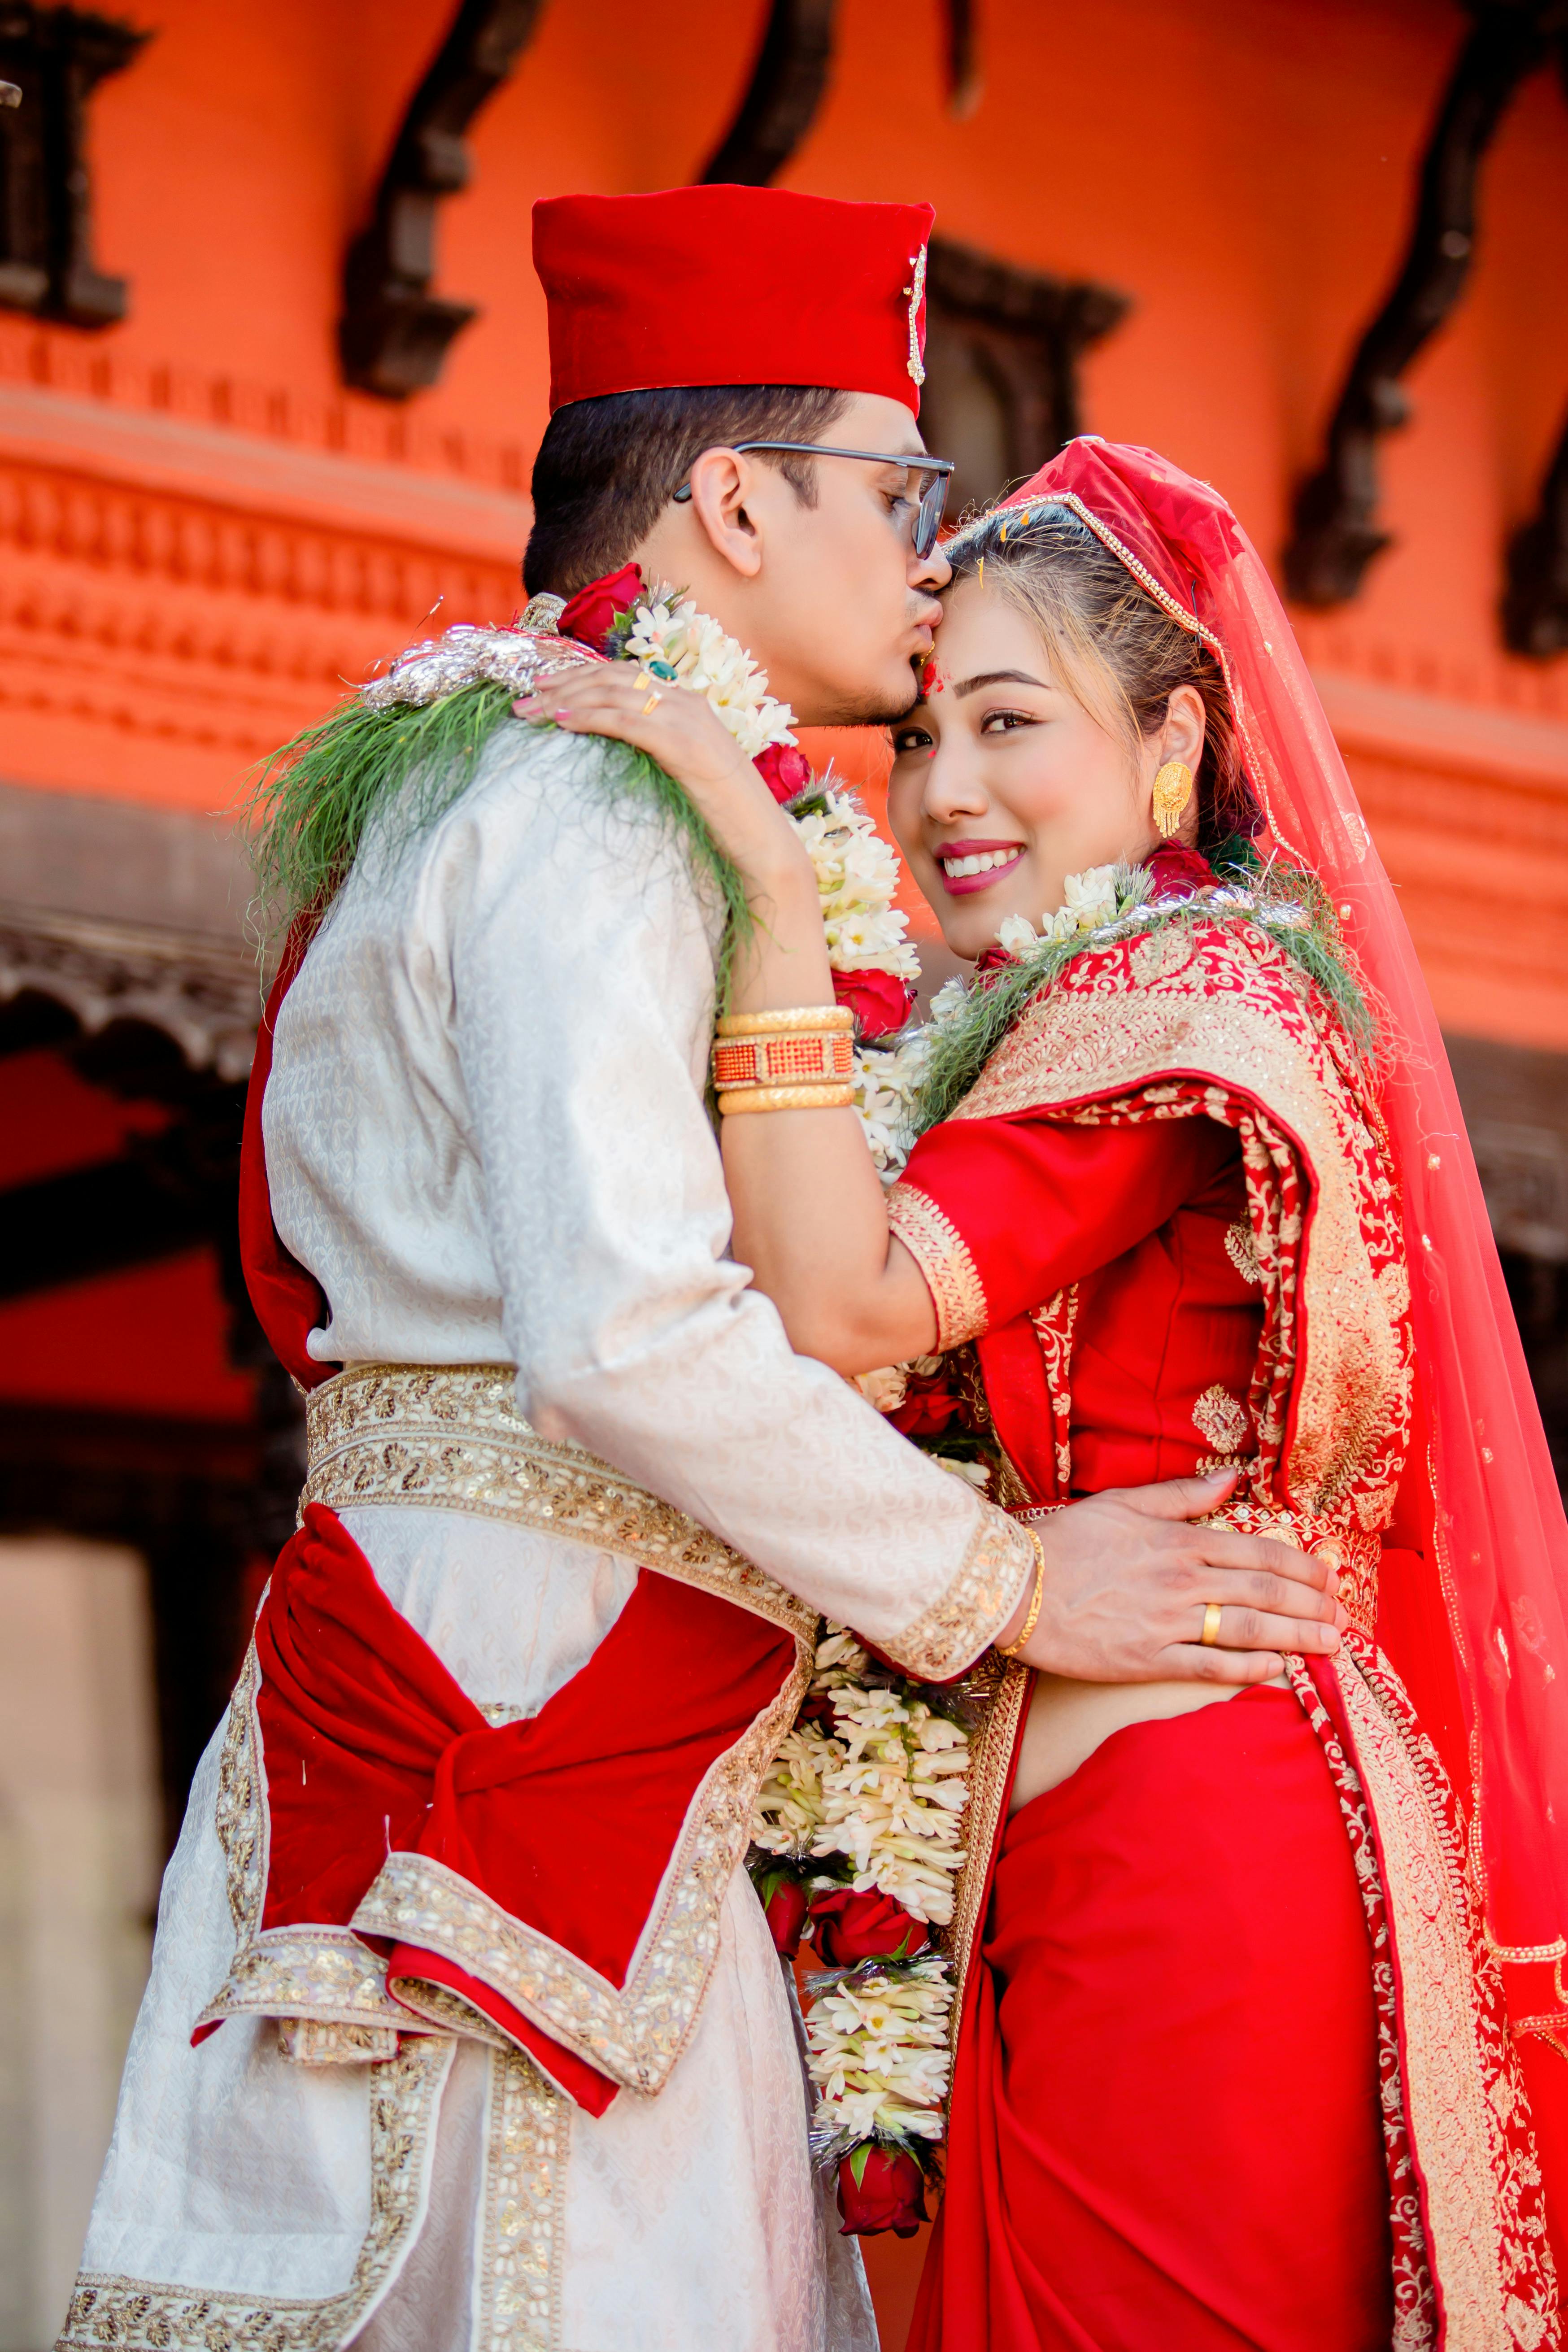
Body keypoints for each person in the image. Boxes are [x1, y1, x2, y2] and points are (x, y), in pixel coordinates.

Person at [57, 198, 1343, 2352]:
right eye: (896, 494)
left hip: (481, 1664)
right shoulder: (604, 800)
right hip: (533, 1707)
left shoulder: (499, 769)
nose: (922, 562)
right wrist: (1011, 1584)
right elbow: (631, 1332)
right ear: (737, 504)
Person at [549, 436, 1568, 2349]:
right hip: (1123, 1830)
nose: (944, 790)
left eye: (1008, 722)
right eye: (913, 737)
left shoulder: (1170, 994)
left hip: (1184, 1855)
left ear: (1175, 742)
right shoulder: (1083, 1007)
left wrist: (764, 876)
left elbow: (841, 1300)